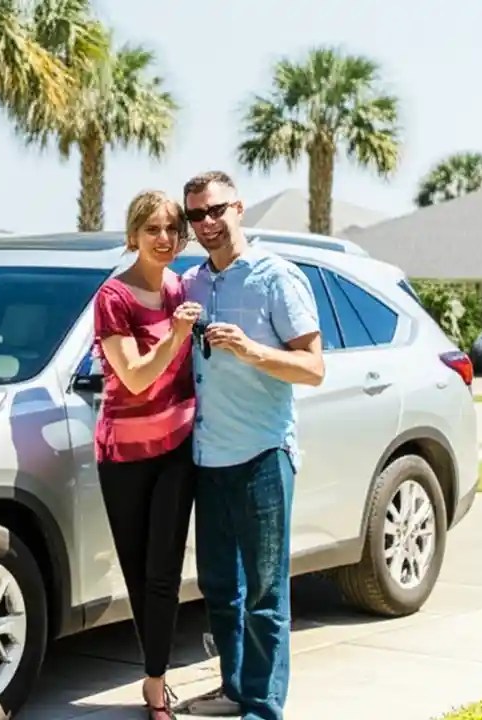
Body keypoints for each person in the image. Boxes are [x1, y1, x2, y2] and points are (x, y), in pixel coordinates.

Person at [176, 171, 325, 720]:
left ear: (238, 208)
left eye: (215, 210)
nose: (207, 223)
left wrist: (250, 350)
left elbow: (313, 368)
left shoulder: (275, 278)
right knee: (220, 587)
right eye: (196, 216)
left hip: (263, 455)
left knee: (266, 593)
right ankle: (234, 688)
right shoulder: (191, 283)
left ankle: (263, 707)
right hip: (208, 458)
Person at [92, 189, 204, 719]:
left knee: (163, 571)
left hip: (177, 446)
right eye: (152, 229)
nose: (164, 239)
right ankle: (153, 675)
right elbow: (134, 377)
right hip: (124, 454)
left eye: (171, 230)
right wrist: (177, 332)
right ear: (133, 234)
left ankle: (156, 684)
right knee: (138, 571)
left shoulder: (183, 287)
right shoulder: (113, 296)